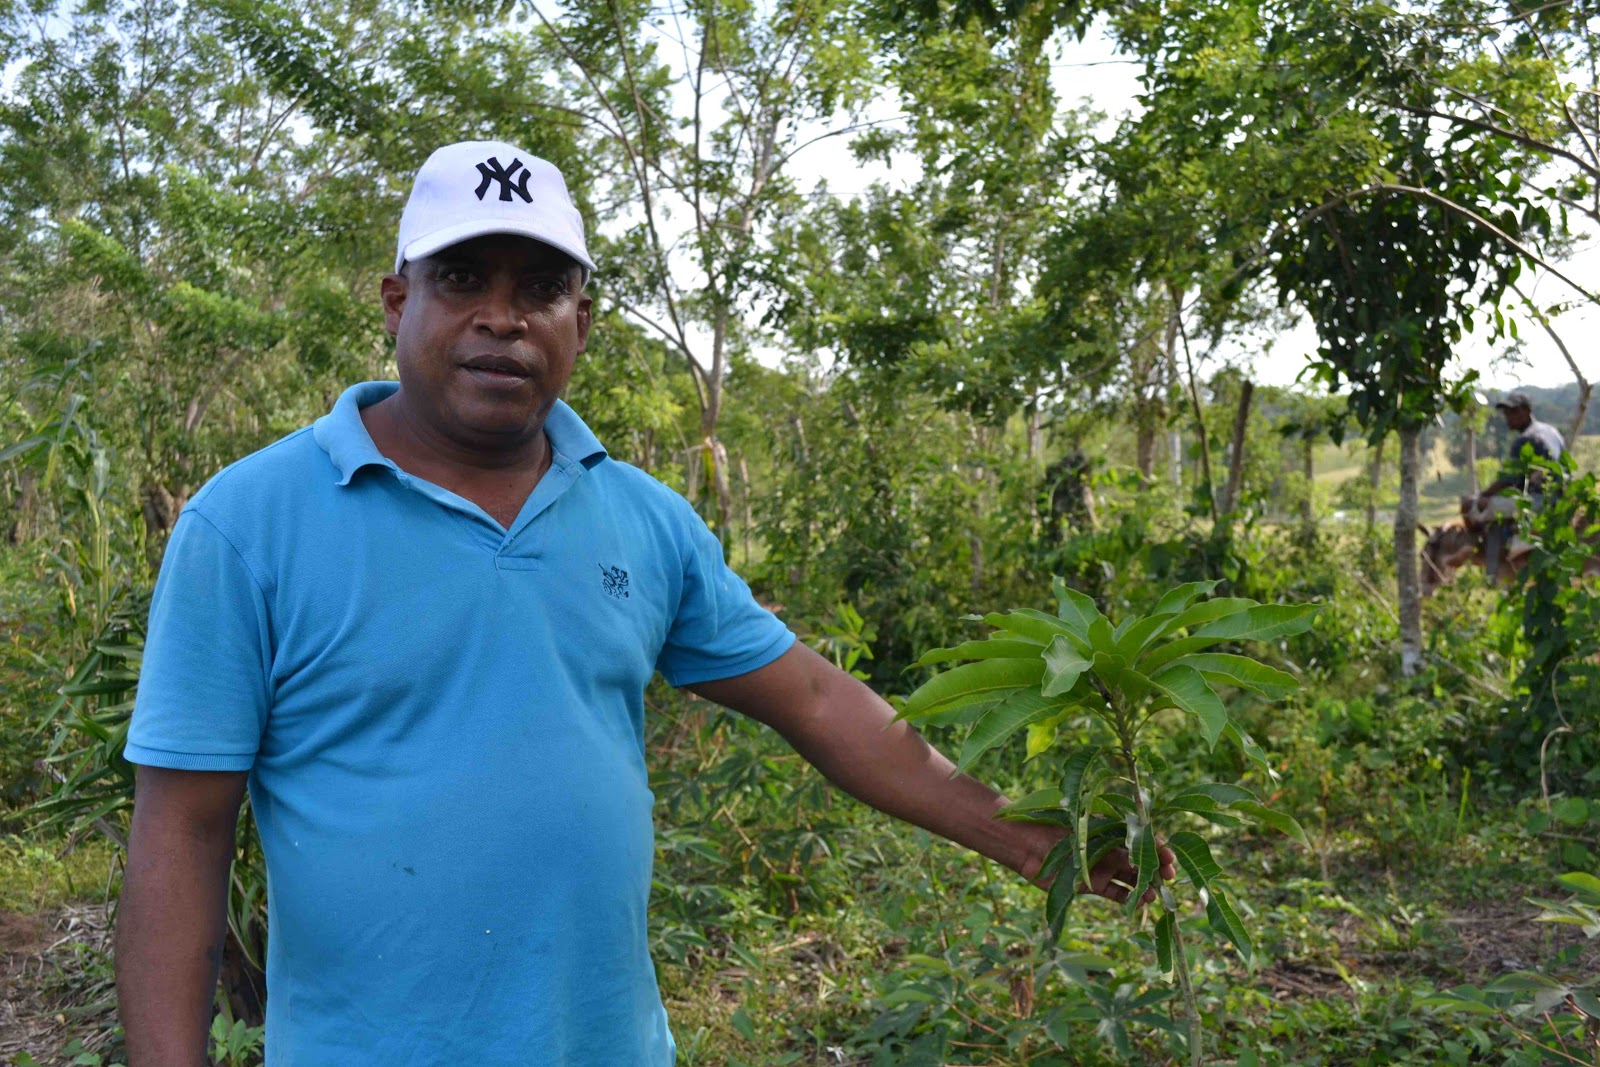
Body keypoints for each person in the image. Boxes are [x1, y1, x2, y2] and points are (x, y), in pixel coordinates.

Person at [115, 140, 1172, 1067]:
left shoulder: (641, 519)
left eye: (541, 287)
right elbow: (184, 831)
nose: (501, 317)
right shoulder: (250, 523)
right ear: (399, 302)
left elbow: (815, 699)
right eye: (463, 277)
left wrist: (1026, 838)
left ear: (581, 320)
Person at [1469, 390, 1568, 574]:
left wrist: (1483, 496)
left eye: (1513, 412)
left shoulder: (1525, 440)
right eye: (1506, 412)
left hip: (1538, 501)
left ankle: (1492, 573)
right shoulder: (1551, 431)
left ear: (1527, 411)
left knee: (1486, 508)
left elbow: (1508, 480)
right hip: (1561, 497)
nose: (1508, 417)